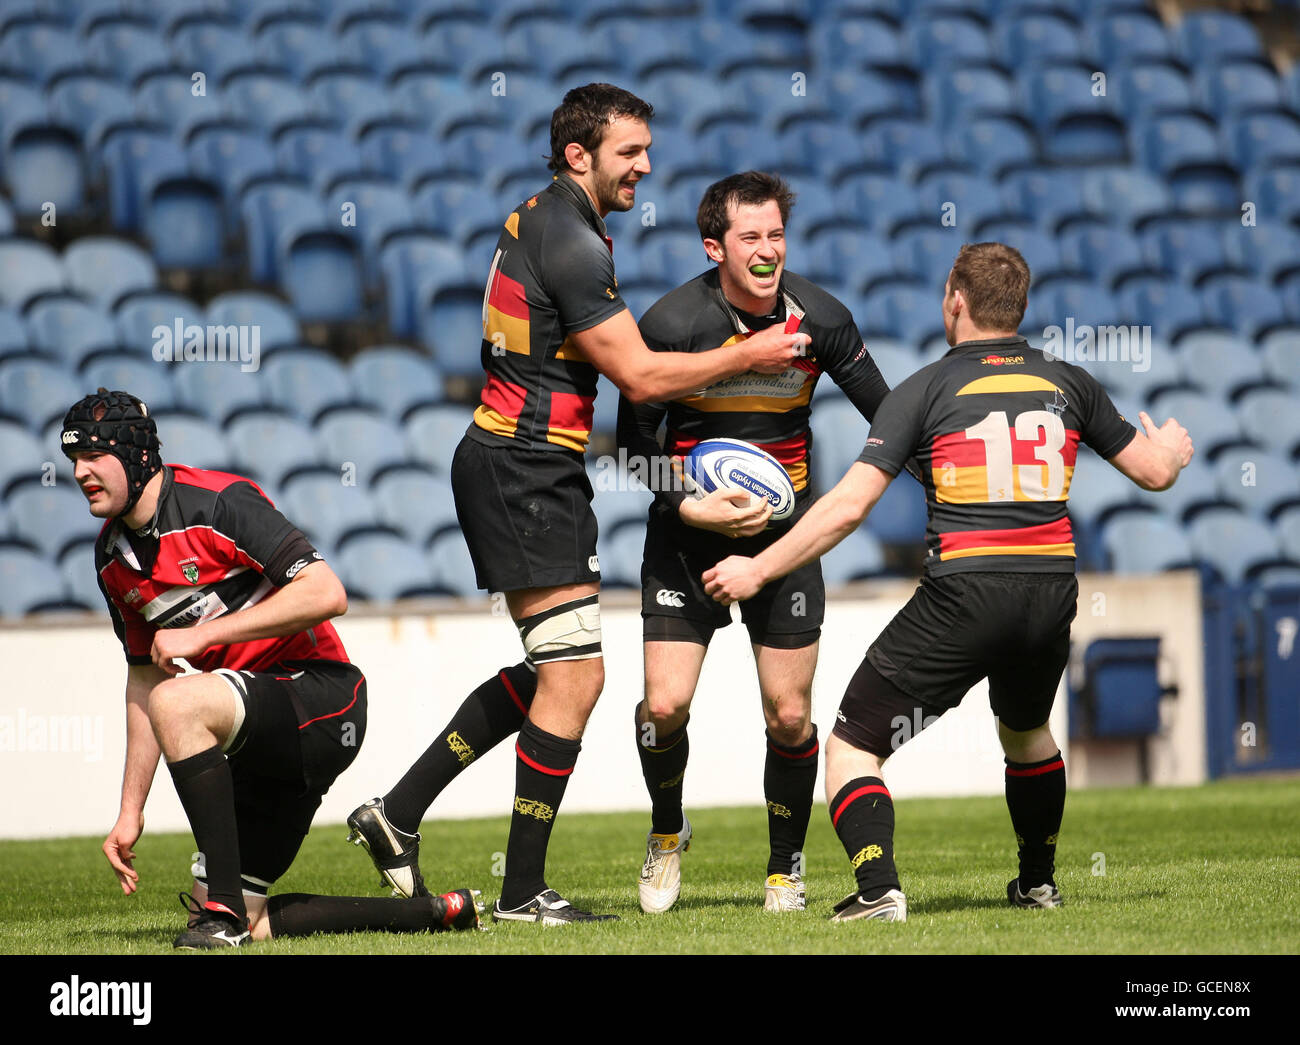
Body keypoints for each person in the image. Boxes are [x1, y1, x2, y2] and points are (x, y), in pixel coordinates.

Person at [345, 85, 809, 925]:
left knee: (551, 672)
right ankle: (523, 889)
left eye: (646, 150)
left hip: (530, 467)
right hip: (524, 469)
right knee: (578, 676)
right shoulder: (568, 235)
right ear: (578, 154)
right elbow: (639, 374)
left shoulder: (553, 220)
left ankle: (398, 813)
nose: (646, 166)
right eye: (630, 152)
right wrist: (751, 353)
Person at [703, 243, 1194, 921]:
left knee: (855, 742)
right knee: (1027, 733)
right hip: (1051, 591)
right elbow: (1155, 472)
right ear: (1019, 308)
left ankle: (878, 887)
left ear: (954, 302)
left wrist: (758, 566)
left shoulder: (927, 388)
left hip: (965, 592)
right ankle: (1038, 882)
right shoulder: (1069, 383)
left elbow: (848, 504)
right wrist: (1171, 451)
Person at [65, 389, 481, 948]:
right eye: (72, 460)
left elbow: (327, 592)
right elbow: (143, 676)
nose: (80, 472)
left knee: (178, 702)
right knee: (255, 922)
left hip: (321, 700)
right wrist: (129, 811)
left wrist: (203, 634)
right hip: (252, 735)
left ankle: (222, 910)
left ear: (138, 455)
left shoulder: (217, 503)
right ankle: (439, 914)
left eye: (95, 456)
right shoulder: (112, 559)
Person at [616, 171, 895, 914]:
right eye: (750, 237)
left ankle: (784, 867)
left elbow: (892, 419)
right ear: (716, 247)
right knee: (663, 706)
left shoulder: (822, 320)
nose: (768, 250)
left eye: (776, 234)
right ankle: (668, 829)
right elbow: (629, 448)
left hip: (786, 543)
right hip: (686, 537)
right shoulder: (672, 323)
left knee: (790, 716)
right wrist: (694, 508)